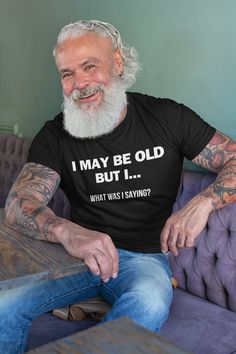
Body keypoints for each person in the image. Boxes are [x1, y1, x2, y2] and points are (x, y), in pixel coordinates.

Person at [2, 19, 236, 353]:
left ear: (118, 63)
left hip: (144, 258)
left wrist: (204, 202)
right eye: (67, 74)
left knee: (150, 302)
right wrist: (69, 232)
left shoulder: (167, 117)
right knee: (4, 303)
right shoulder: (55, 134)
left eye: (89, 66)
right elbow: (18, 203)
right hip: (73, 256)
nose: (79, 83)